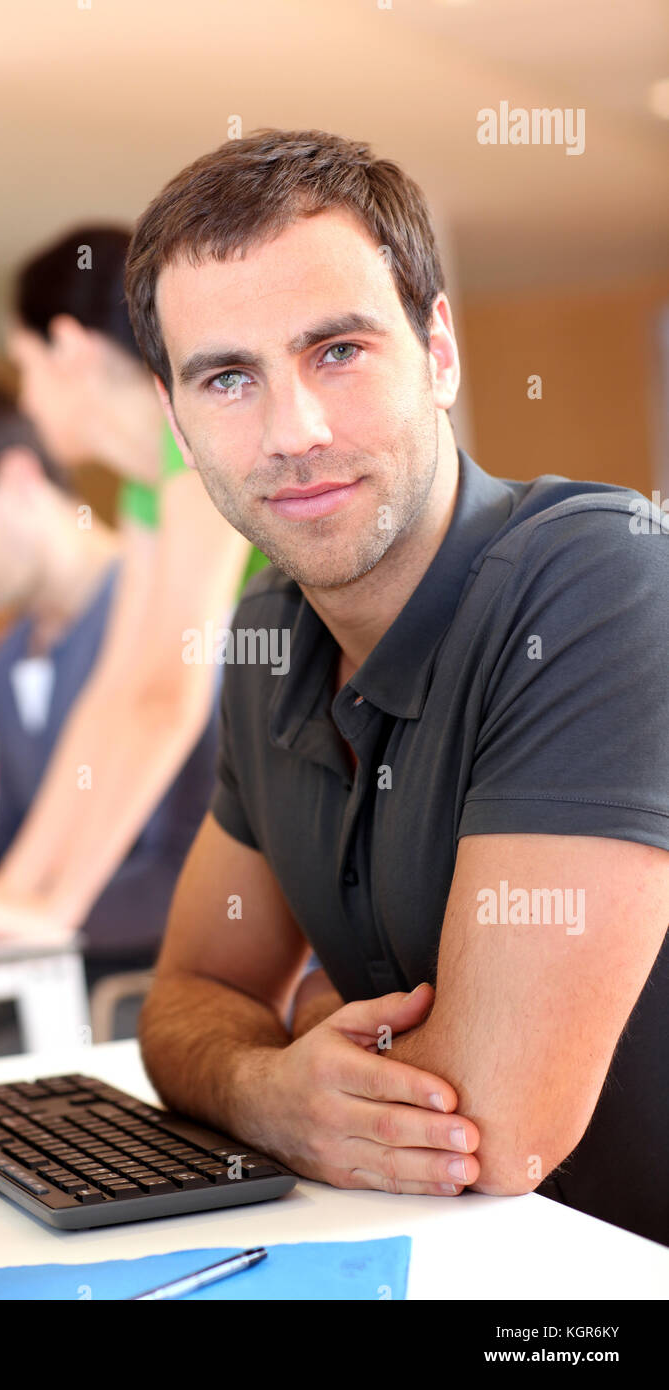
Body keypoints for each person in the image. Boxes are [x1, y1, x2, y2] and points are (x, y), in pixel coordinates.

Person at [117, 129, 669, 1245]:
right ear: (178, 426)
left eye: (336, 350)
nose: (293, 433)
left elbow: (494, 1124)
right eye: (229, 378)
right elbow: (183, 1000)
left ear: (439, 351)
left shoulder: (605, 576)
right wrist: (263, 1087)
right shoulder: (269, 638)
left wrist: (308, 1020)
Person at [0, 227, 266, 942]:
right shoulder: (149, 485)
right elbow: (114, 694)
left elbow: (165, 694)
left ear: (69, 347)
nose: (25, 403)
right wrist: (13, 888)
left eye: (25, 367)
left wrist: (58, 908)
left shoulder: (197, 436)